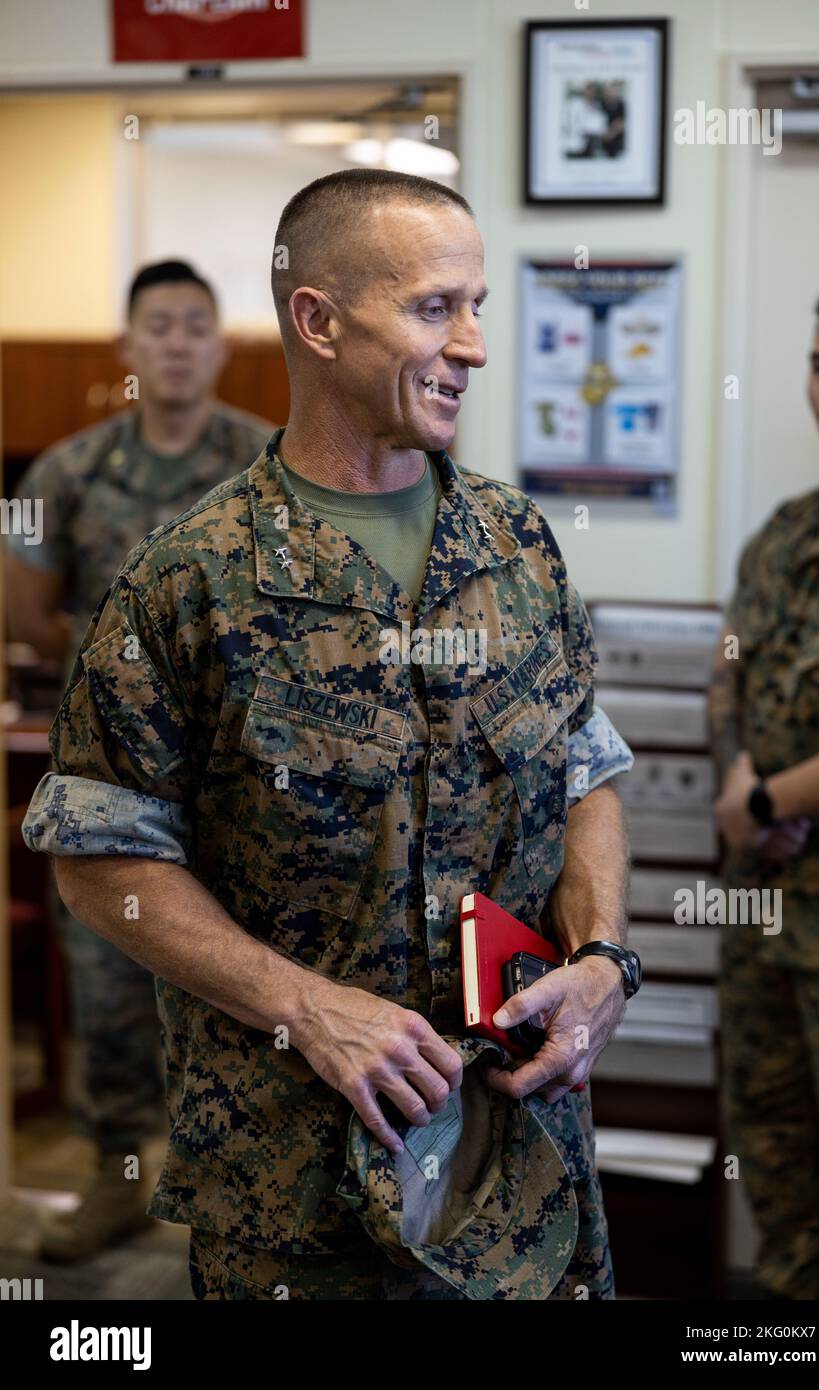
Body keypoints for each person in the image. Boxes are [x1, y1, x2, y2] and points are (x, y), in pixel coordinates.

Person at [22, 170, 635, 1300]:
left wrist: (600, 960)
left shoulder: (517, 545)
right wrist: (301, 1007)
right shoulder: (189, 580)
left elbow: (584, 768)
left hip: (522, 1163)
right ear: (317, 319)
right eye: (432, 308)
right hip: (296, 1185)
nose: (473, 345)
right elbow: (98, 857)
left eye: (478, 306)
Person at [6, 259, 273, 1260]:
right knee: (112, 991)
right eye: (156, 325)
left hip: (243, 786)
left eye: (194, 325)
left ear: (218, 344)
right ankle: (116, 1176)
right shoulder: (68, 471)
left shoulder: (265, 465)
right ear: (127, 345)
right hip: (113, 783)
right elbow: (25, 610)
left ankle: (246, 1203)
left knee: (245, 989)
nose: (174, 342)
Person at [710, 280, 819, 1300]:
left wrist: (769, 804)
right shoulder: (781, 532)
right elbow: (728, 675)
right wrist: (736, 780)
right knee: (779, 1177)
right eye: (818, 364)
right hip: (764, 919)